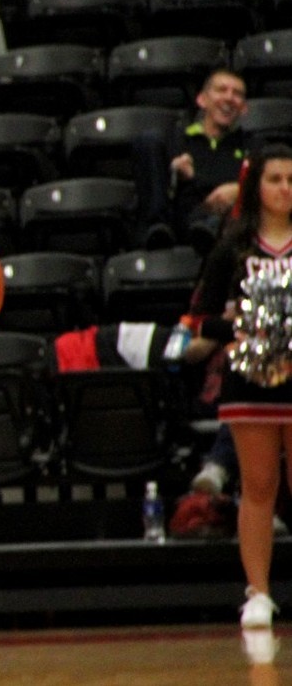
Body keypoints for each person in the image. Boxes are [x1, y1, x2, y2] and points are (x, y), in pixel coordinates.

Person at [189, 142, 292, 629]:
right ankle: (258, 593)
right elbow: (198, 320)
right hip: (250, 380)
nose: (285, 188)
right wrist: (244, 330)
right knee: (259, 486)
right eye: (275, 179)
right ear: (257, 185)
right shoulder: (234, 244)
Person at [133, 69, 251, 253]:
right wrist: (173, 174)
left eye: (237, 94)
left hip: (225, 226)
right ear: (201, 100)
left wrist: (240, 189)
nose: (229, 98)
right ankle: (155, 230)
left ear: (244, 108)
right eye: (221, 90)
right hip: (180, 220)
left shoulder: (252, 146)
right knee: (148, 140)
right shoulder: (174, 140)